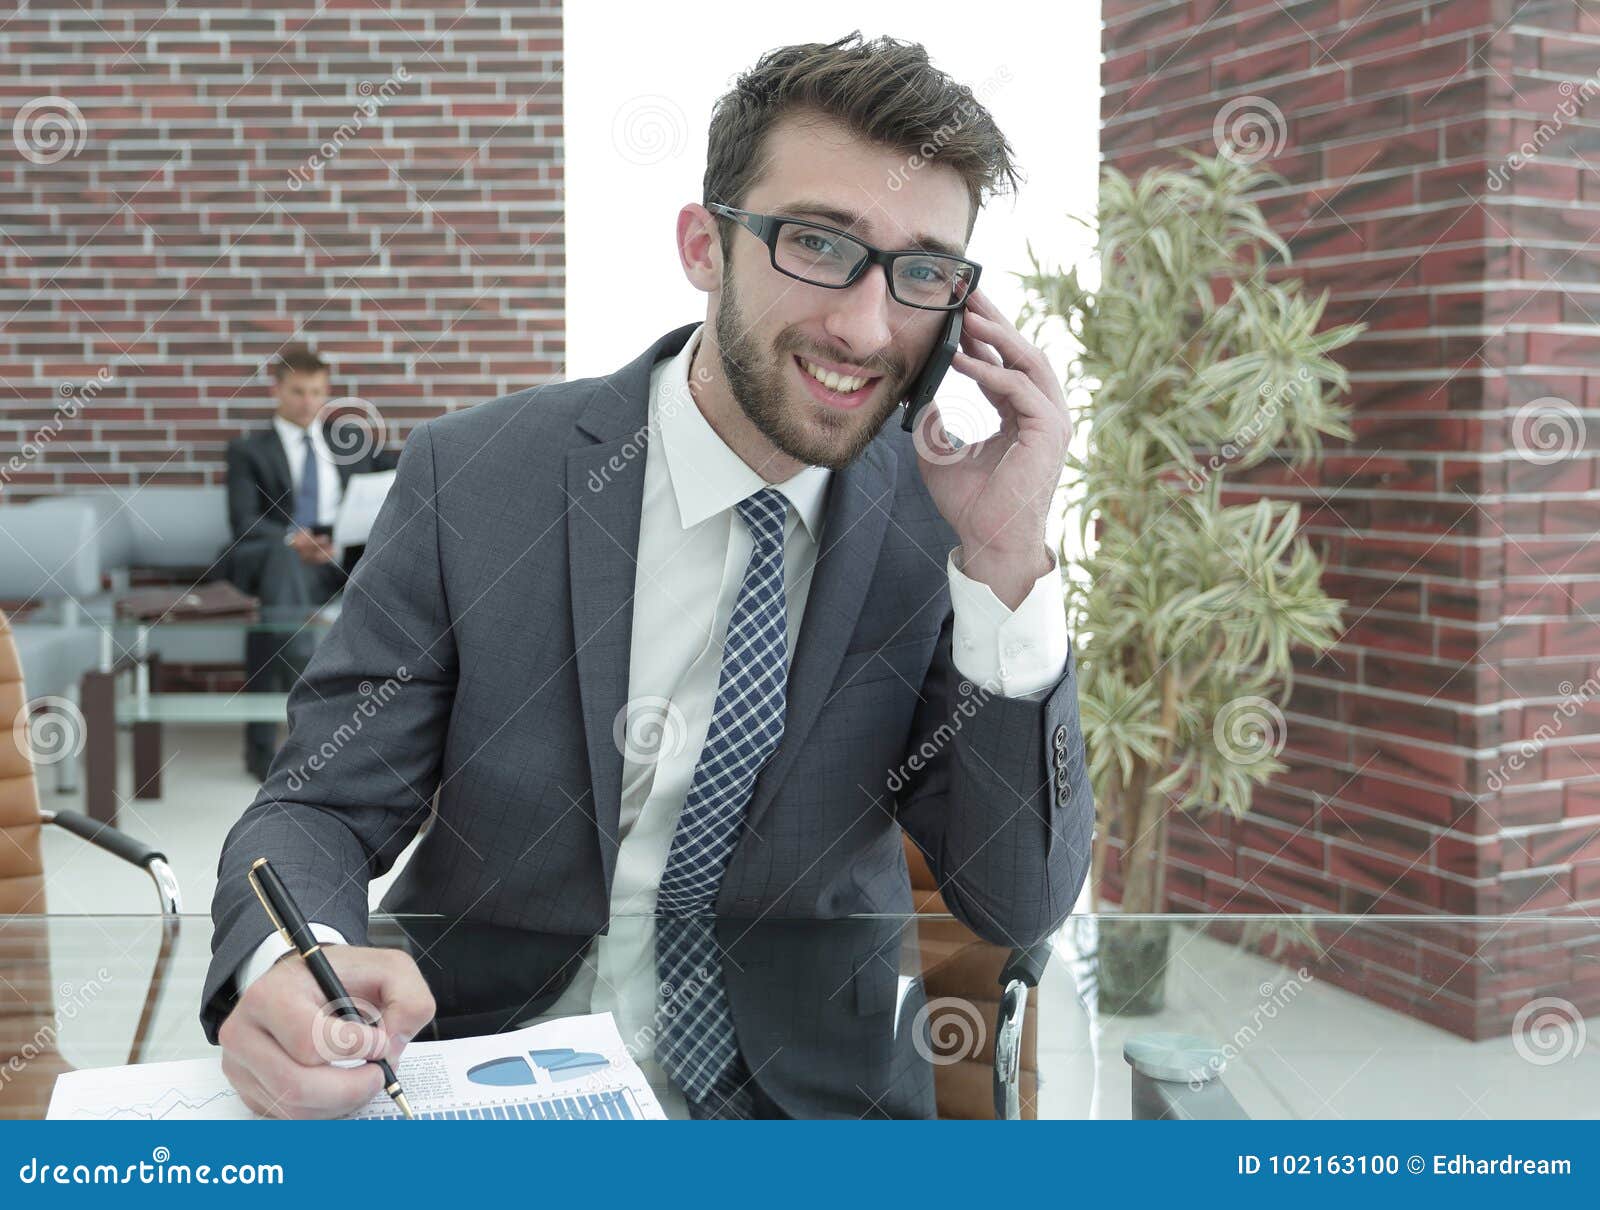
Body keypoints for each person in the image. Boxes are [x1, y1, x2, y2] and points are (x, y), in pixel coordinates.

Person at [203, 32, 1093, 1120]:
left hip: (810, 1104)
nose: (866, 326)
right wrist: (294, 964)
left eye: (920, 272)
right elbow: (321, 809)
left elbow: (1018, 897)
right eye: (817, 242)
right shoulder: (478, 479)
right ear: (704, 246)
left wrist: (1005, 562)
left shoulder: (942, 526)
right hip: (480, 1067)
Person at [223, 345, 396, 780]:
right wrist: (291, 538)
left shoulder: (353, 444)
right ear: (277, 389)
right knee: (281, 574)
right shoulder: (248, 452)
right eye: (298, 391)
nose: (308, 402)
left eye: (318, 392)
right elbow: (243, 523)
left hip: (341, 563)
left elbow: (389, 487)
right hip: (278, 562)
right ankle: (306, 705)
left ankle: (373, 737)